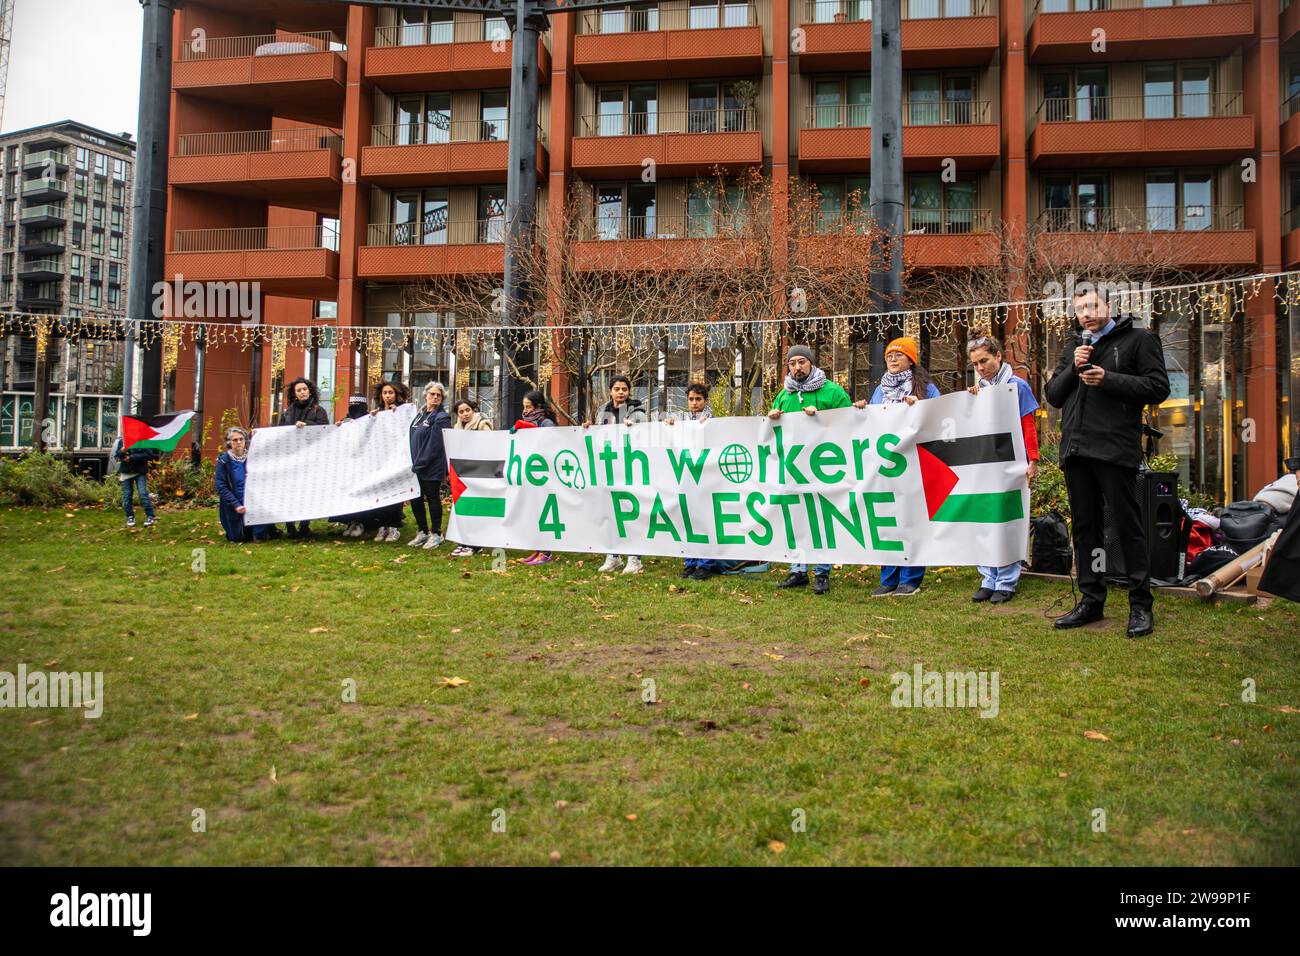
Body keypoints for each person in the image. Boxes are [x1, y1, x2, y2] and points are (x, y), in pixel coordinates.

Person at [1044, 285, 1171, 638]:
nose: (1086, 312)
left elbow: (1158, 388)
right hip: (1077, 451)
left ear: (1109, 305)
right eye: (1080, 307)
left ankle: (1140, 604)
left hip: (1115, 451)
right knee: (1088, 530)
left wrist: (1109, 379)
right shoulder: (1074, 346)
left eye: (1092, 305)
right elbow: (1054, 396)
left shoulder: (1139, 339)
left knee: (1127, 528)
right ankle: (1091, 599)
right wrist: (1075, 366)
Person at [768, 345, 853, 595]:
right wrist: (771, 418)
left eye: (801, 362)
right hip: (794, 470)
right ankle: (798, 570)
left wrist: (822, 417)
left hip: (825, 468)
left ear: (811, 364)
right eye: (792, 363)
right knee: (797, 519)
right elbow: (772, 434)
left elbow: (850, 423)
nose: (797, 367)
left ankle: (822, 571)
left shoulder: (832, 391)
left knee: (822, 519)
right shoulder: (784, 395)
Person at [966, 335, 1040, 604]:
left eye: (984, 361)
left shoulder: (1016, 386)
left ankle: (1007, 579)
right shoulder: (979, 388)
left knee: (1008, 520)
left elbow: (1027, 424)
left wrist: (1033, 460)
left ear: (998, 356)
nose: (980, 368)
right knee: (986, 519)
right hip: (987, 463)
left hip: (1011, 463)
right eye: (975, 364)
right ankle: (988, 577)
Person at [868, 336, 941, 596]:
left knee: (912, 520)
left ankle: (910, 578)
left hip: (914, 464)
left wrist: (919, 408)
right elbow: (871, 421)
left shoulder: (925, 388)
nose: (893, 359)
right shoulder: (880, 390)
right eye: (889, 355)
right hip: (887, 464)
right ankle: (889, 578)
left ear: (911, 359)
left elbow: (939, 417)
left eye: (899, 355)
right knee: (888, 520)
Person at [589, 375, 647, 575]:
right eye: (617, 388)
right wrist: (589, 429)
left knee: (631, 513)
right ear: (611, 391)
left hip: (630, 469)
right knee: (610, 512)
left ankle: (635, 557)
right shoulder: (602, 411)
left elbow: (645, 432)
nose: (621, 392)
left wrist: (635, 428)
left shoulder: (637, 411)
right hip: (609, 468)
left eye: (624, 388)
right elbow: (597, 436)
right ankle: (613, 555)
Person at [667, 382, 722, 580]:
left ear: (705, 401)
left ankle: (705, 563)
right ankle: (690, 562)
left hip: (705, 477)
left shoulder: (713, 420)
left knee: (705, 520)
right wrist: (669, 425)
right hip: (687, 477)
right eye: (691, 399)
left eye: (698, 399)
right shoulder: (681, 419)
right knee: (688, 520)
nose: (694, 403)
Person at [347, 380, 411, 543]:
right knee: (382, 492)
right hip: (380, 459)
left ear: (396, 395)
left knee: (396, 492)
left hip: (397, 458)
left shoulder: (403, 410)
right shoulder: (376, 413)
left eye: (391, 393)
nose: (388, 396)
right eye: (385, 393)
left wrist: (396, 415)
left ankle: (394, 526)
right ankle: (383, 525)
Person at [277, 376, 329, 538]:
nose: (302, 392)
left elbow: (325, 430)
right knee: (290, 492)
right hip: (291, 459)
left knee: (307, 492)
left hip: (310, 459)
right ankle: (290, 525)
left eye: (304, 389)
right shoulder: (287, 412)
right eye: (299, 390)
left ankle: (305, 525)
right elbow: (279, 432)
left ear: (310, 390)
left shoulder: (318, 410)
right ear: (294, 394)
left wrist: (307, 426)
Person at [408, 381, 451, 549]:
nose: (435, 397)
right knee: (415, 498)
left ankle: (436, 533)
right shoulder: (420, 415)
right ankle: (422, 531)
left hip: (431, 465)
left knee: (432, 498)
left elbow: (436, 444)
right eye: (432, 394)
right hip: (416, 465)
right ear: (425, 395)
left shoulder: (441, 417)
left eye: (438, 395)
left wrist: (422, 462)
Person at [449, 399, 494, 557]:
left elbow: (490, 447)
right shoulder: (456, 428)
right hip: (463, 473)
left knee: (476, 510)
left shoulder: (482, 424)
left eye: (467, 410)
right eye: (461, 412)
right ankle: (464, 542)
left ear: (473, 409)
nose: (465, 414)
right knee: (464, 509)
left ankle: (476, 544)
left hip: (479, 473)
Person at [517, 390, 557, 566]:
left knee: (543, 512)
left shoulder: (546, 423)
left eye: (528, 407)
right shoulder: (526, 421)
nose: (525, 410)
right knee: (534, 511)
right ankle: (538, 548)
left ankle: (546, 551)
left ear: (538, 406)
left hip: (544, 473)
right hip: (531, 472)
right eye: (524, 407)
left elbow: (552, 443)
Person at [215, 427, 267, 543]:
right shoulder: (224, 461)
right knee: (237, 538)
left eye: (241, 439)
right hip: (234, 503)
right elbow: (220, 486)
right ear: (229, 443)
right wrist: (236, 504)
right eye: (234, 440)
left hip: (253, 501)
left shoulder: (253, 456)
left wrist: (260, 437)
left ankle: (259, 532)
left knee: (257, 536)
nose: (238, 442)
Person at [114, 436, 159, 529]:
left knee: (142, 493)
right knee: (127, 495)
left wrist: (132, 457)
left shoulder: (143, 440)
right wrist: (122, 451)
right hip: (126, 472)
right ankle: (130, 517)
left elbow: (148, 455)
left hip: (140, 471)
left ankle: (150, 516)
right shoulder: (123, 441)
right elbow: (117, 456)